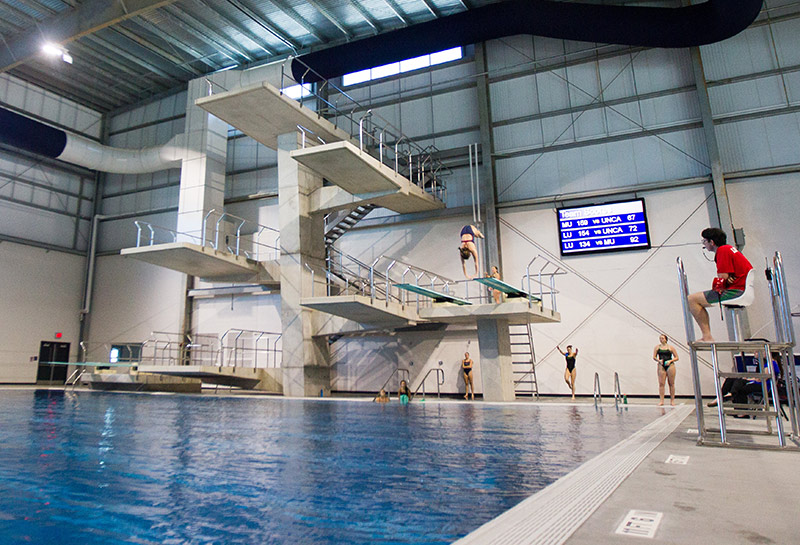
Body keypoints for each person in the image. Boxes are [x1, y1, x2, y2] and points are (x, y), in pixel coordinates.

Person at [687, 227, 753, 342]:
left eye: (704, 241)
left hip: (736, 291)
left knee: (691, 299)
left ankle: (707, 336)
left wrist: (724, 281)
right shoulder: (730, 249)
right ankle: (707, 336)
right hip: (742, 288)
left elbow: (722, 278)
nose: (704, 244)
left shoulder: (722, 251)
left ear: (711, 242)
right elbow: (728, 278)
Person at [653, 334, 679, 406]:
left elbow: (677, 357)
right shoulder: (657, 347)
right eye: (660, 338)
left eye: (662, 338)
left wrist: (670, 361)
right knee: (661, 383)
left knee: (671, 383)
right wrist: (659, 360)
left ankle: (672, 400)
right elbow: (654, 357)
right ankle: (661, 400)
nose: (661, 340)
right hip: (661, 365)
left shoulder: (670, 347)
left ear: (666, 339)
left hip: (670, 365)